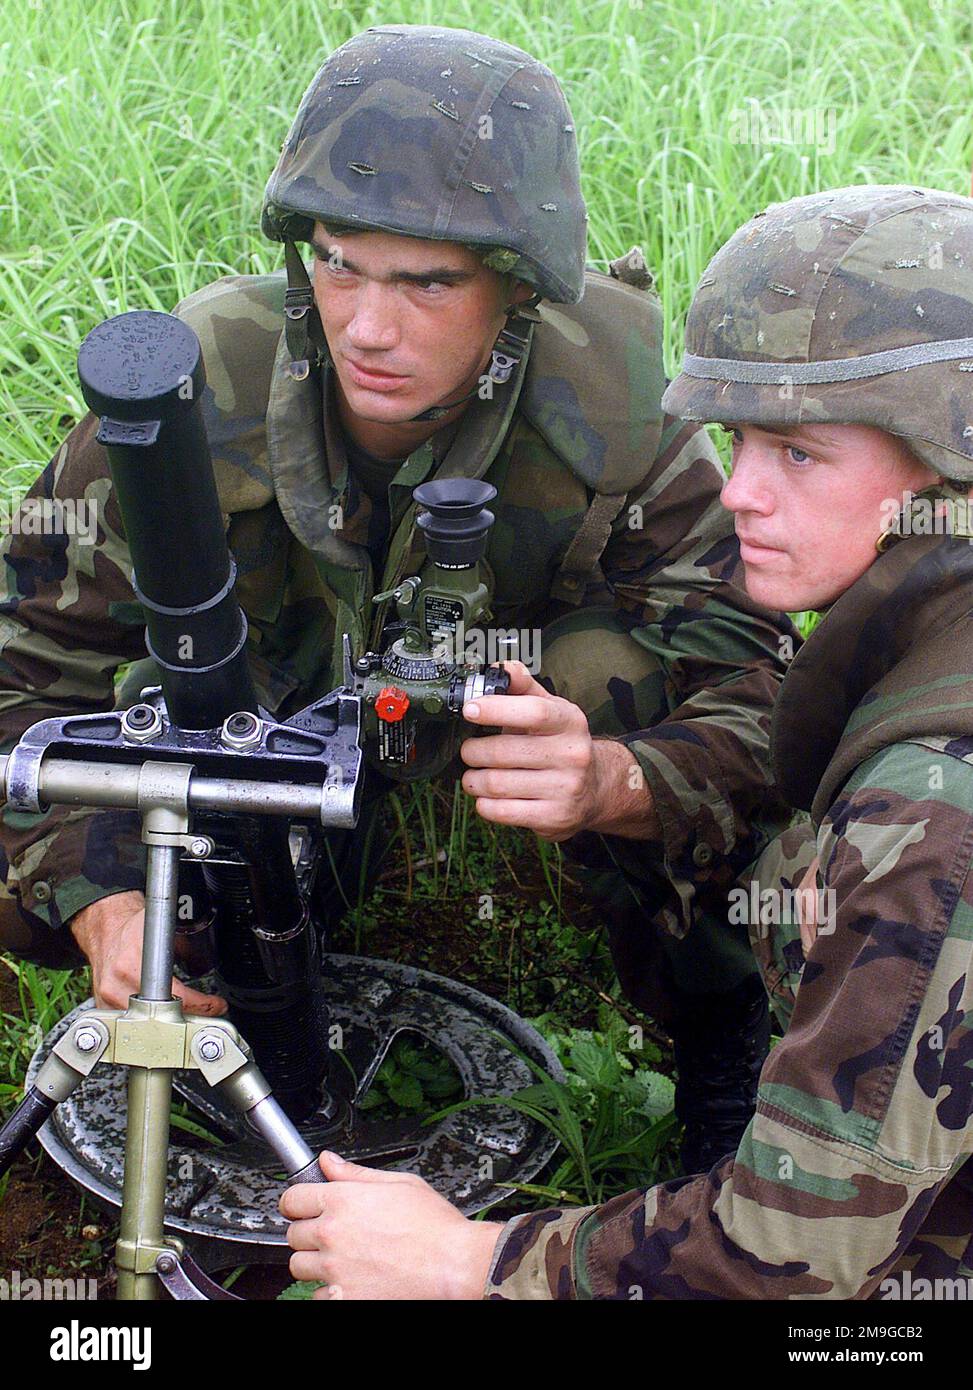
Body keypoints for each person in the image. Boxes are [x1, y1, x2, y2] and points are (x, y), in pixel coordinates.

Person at [0, 25, 793, 1169]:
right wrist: (100, 889)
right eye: (337, 263)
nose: (370, 326)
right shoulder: (190, 396)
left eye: (429, 281)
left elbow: (761, 687)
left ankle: (721, 1031)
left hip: (493, 709)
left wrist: (612, 779)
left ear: (515, 289)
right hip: (258, 707)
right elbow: (24, 663)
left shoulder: (616, 407)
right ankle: (247, 933)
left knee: (613, 686)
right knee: (104, 758)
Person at [281, 182, 973, 1299]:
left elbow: (782, 1264)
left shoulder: (935, 814)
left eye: (798, 455)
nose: (740, 491)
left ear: (945, 467)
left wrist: (472, 1262)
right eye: (738, 438)